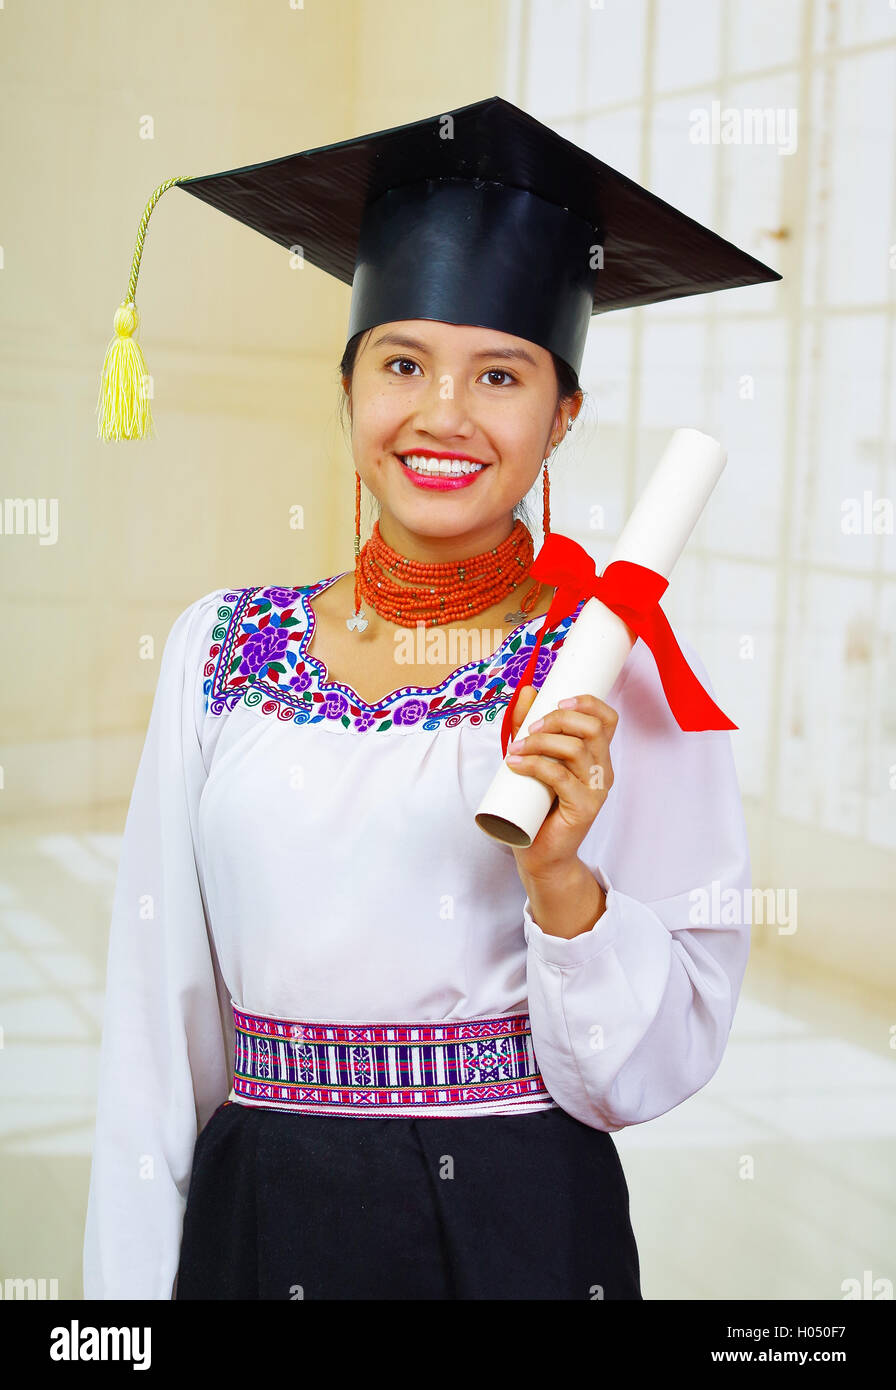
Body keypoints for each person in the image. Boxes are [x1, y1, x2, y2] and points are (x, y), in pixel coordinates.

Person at [83, 96, 779, 1300]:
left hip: (520, 1232)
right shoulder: (217, 651)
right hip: (264, 1222)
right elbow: (156, 1032)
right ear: (347, 386)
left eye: (499, 375)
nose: (442, 415)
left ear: (561, 415)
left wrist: (562, 888)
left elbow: (649, 1066)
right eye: (401, 362)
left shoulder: (613, 677)